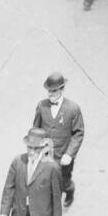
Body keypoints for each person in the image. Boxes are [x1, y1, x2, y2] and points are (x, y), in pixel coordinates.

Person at [32, 72, 85, 208]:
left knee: (63, 182)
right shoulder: (41, 106)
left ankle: (70, 189)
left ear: (62, 89)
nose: (51, 94)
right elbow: (36, 129)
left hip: (64, 156)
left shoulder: (73, 109)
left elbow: (78, 133)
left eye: (54, 91)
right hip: (46, 155)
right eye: (49, 91)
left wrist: (69, 154)